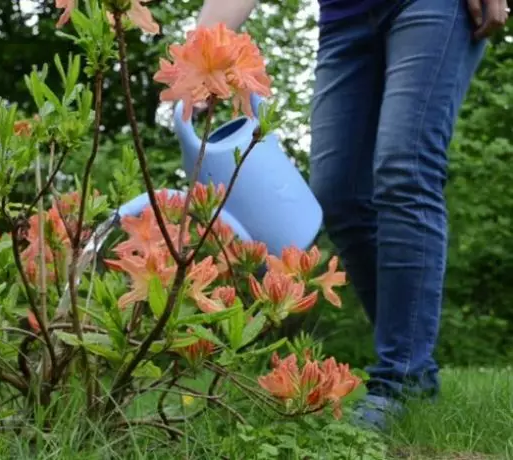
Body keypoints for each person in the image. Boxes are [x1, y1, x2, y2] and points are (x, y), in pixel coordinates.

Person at [196, 0, 508, 430]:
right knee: (338, 195)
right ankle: (412, 370)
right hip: (343, 20)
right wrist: (200, 58)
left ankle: (401, 378)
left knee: (405, 170)